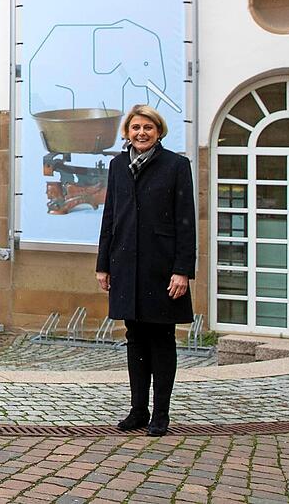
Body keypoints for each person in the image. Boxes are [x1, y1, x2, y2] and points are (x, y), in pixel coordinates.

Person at [96, 104, 195, 436]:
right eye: (136, 128)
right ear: (127, 132)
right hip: (126, 266)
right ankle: (138, 410)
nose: (141, 133)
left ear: (159, 132)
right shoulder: (118, 165)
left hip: (162, 269)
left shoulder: (176, 166)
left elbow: (187, 223)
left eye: (148, 128)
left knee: (162, 339)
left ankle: (161, 415)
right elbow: (110, 217)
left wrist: (182, 270)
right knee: (135, 338)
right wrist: (103, 265)